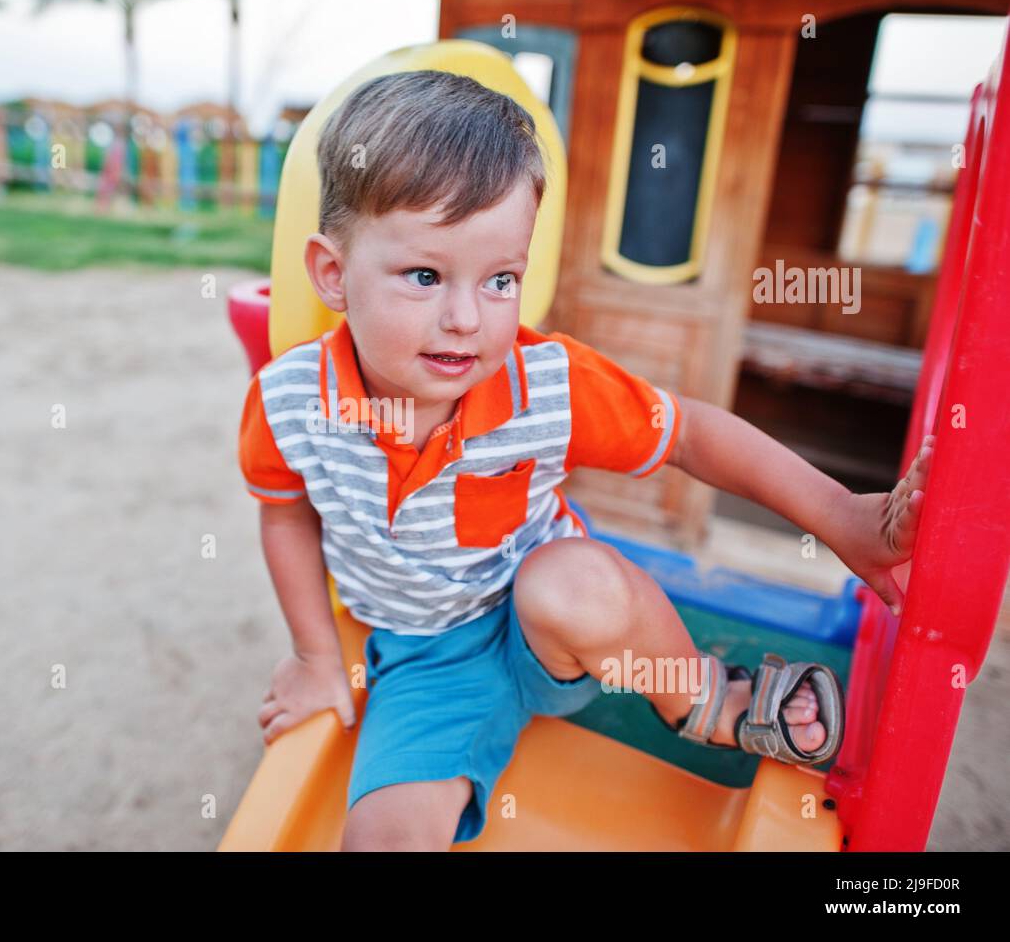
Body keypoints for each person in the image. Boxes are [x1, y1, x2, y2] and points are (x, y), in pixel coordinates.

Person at [237, 70, 932, 851]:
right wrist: (313, 655)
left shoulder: (544, 385)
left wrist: (842, 516)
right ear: (333, 274)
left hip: (555, 627)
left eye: (500, 279)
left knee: (572, 579)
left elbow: (694, 434)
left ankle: (707, 698)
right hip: (426, 661)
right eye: (425, 276)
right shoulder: (291, 400)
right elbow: (284, 511)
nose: (466, 318)